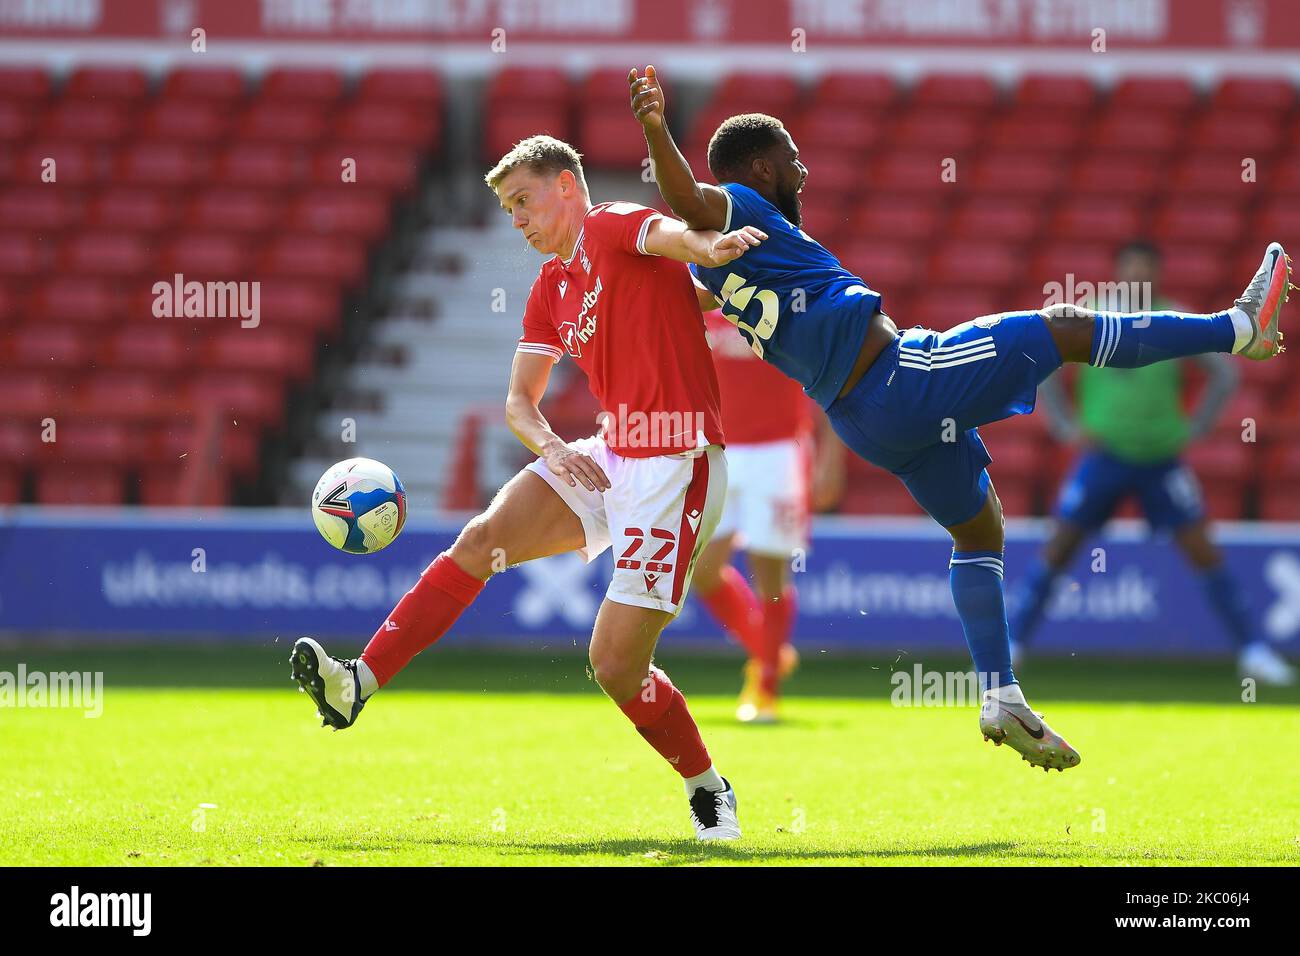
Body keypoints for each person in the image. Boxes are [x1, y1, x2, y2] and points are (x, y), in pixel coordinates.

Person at [630, 64, 1293, 772]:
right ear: (761, 168)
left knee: (979, 529)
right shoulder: (741, 205)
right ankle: (1237, 326)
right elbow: (691, 200)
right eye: (792, 157)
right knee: (1063, 325)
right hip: (898, 378)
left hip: (865, 421)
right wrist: (654, 129)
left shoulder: (730, 263)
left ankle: (1001, 693)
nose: (805, 167)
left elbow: (691, 267)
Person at [291, 134, 768, 839]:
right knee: (482, 537)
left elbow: (670, 234)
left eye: (523, 200)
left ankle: (707, 785)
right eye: (508, 208)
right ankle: (355, 683)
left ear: (567, 187)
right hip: (611, 452)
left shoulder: (611, 226)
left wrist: (707, 250)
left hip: (678, 462)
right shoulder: (551, 290)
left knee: (611, 665)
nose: (516, 219)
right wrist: (551, 446)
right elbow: (520, 401)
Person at [1012, 241, 1295, 686]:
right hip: (1102, 456)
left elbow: (1224, 374)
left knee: (1203, 550)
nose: (1138, 278)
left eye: (1146, 271)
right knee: (1059, 547)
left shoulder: (1173, 320)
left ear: (1158, 275)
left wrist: (1197, 426)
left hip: (1161, 458)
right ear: (1118, 273)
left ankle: (1252, 652)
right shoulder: (1092, 317)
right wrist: (1066, 427)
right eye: (1131, 270)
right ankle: (1012, 647)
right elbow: (1046, 371)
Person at [693, 308, 845, 722]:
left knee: (771, 572)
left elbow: (829, 383)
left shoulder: (788, 303)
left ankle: (766, 688)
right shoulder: (701, 298)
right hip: (717, 448)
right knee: (701, 568)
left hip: (780, 452)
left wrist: (832, 456)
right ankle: (769, 650)